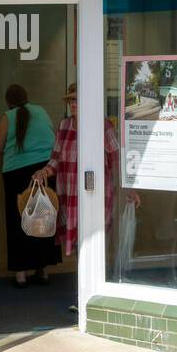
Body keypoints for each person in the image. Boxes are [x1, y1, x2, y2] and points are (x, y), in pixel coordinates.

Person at [33, 81, 140, 268]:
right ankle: (84, 286)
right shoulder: (64, 126)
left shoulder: (103, 126)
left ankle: (98, 285)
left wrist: (127, 188)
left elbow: (116, 161)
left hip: (96, 195)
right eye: (71, 100)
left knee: (96, 241)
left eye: (77, 100)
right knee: (76, 245)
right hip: (69, 195)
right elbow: (56, 159)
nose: (73, 104)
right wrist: (44, 172)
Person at [0, 83, 57, 287]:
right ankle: (43, 270)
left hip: (16, 173)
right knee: (43, 220)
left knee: (17, 222)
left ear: (8, 101)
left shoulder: (7, 117)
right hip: (44, 171)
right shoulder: (41, 111)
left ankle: (20, 275)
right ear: (27, 96)